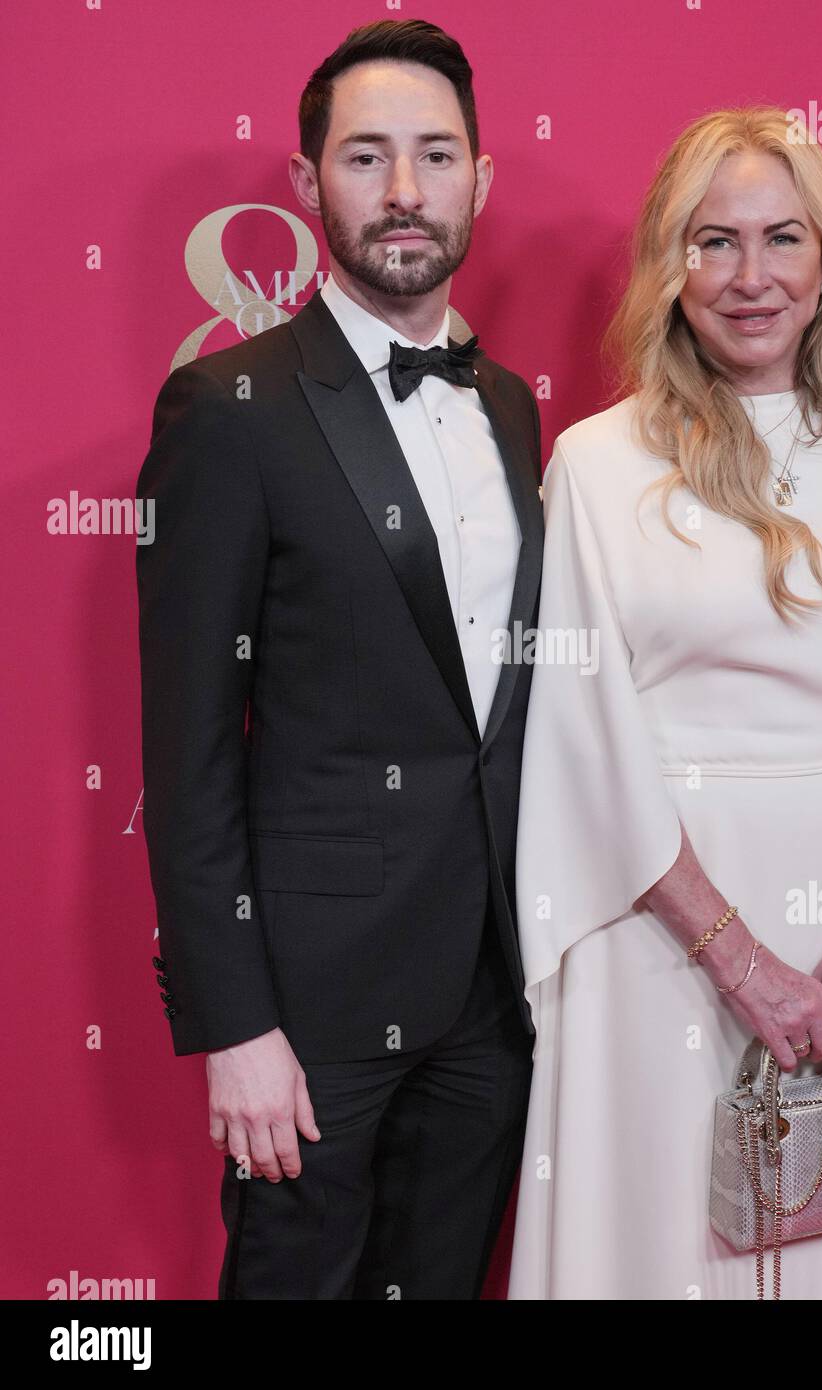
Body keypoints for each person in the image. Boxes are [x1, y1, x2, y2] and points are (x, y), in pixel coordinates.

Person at [507, 106, 822, 1300]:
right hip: (659, 925)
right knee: (664, 1249)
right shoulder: (597, 461)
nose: (749, 277)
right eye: (711, 242)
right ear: (667, 269)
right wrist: (742, 965)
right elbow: (584, 742)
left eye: (780, 238)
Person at [135, 20, 542, 1299]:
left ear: (484, 178)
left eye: (436, 155)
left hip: (496, 991)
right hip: (309, 1006)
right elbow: (186, 748)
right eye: (367, 158)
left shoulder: (515, 405)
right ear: (308, 186)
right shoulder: (229, 409)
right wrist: (236, 1026)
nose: (406, 191)